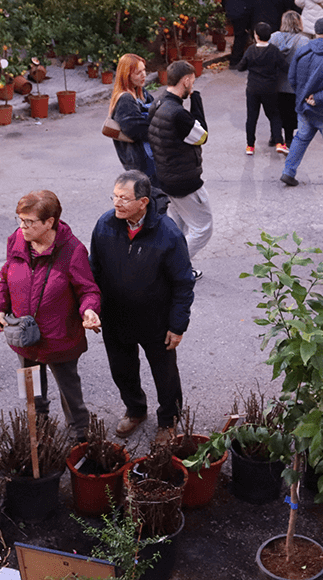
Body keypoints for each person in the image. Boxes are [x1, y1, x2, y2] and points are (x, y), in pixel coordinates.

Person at [90, 171, 194, 442]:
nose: (116, 203)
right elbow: (93, 270)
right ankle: (135, 409)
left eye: (124, 198)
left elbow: (183, 282)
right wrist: (93, 308)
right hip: (116, 317)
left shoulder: (168, 234)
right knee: (122, 369)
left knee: (165, 373)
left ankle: (168, 419)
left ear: (143, 201)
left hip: (155, 321)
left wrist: (177, 325)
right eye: (114, 196)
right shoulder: (105, 225)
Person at [0, 191, 101, 439]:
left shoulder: (73, 251)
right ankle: (37, 427)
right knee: (31, 389)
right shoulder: (16, 240)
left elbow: (88, 289)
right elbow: (5, 279)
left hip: (59, 338)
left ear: (49, 222)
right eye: (20, 220)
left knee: (69, 390)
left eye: (29, 222)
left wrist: (90, 310)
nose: (23, 227)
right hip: (23, 336)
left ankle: (79, 435)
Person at [148, 61, 212, 271]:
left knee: (178, 228)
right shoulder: (178, 114)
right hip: (185, 181)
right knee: (203, 227)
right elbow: (202, 136)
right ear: (185, 81)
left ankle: (168, 264)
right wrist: (197, 100)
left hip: (166, 178)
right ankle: (177, 268)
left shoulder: (157, 103)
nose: (192, 86)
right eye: (192, 81)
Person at [280, 17, 323, 186]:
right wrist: (318, 98)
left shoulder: (303, 51)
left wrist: (303, 96)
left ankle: (288, 171)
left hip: (304, 107)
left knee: (300, 139)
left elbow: (292, 77)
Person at [237, 22, 289, 155]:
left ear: (256, 36)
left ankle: (250, 146)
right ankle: (279, 142)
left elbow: (240, 67)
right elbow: (285, 67)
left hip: (253, 88)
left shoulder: (250, 50)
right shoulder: (273, 50)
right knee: (274, 115)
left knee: (251, 117)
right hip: (270, 88)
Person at [107, 53, 159, 184]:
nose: (144, 75)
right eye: (138, 73)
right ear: (126, 76)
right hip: (141, 163)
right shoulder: (125, 99)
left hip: (148, 158)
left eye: (144, 70)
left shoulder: (141, 93)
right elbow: (136, 130)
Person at [271, 11, 310, 149]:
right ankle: (288, 138)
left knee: (276, 111)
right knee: (290, 112)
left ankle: (274, 136)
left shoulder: (274, 37)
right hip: (294, 84)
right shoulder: (304, 41)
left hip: (276, 81)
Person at [224, 0, 253, 67]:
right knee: (240, 36)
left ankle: (236, 60)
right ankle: (235, 61)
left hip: (234, 11)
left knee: (240, 36)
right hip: (239, 11)